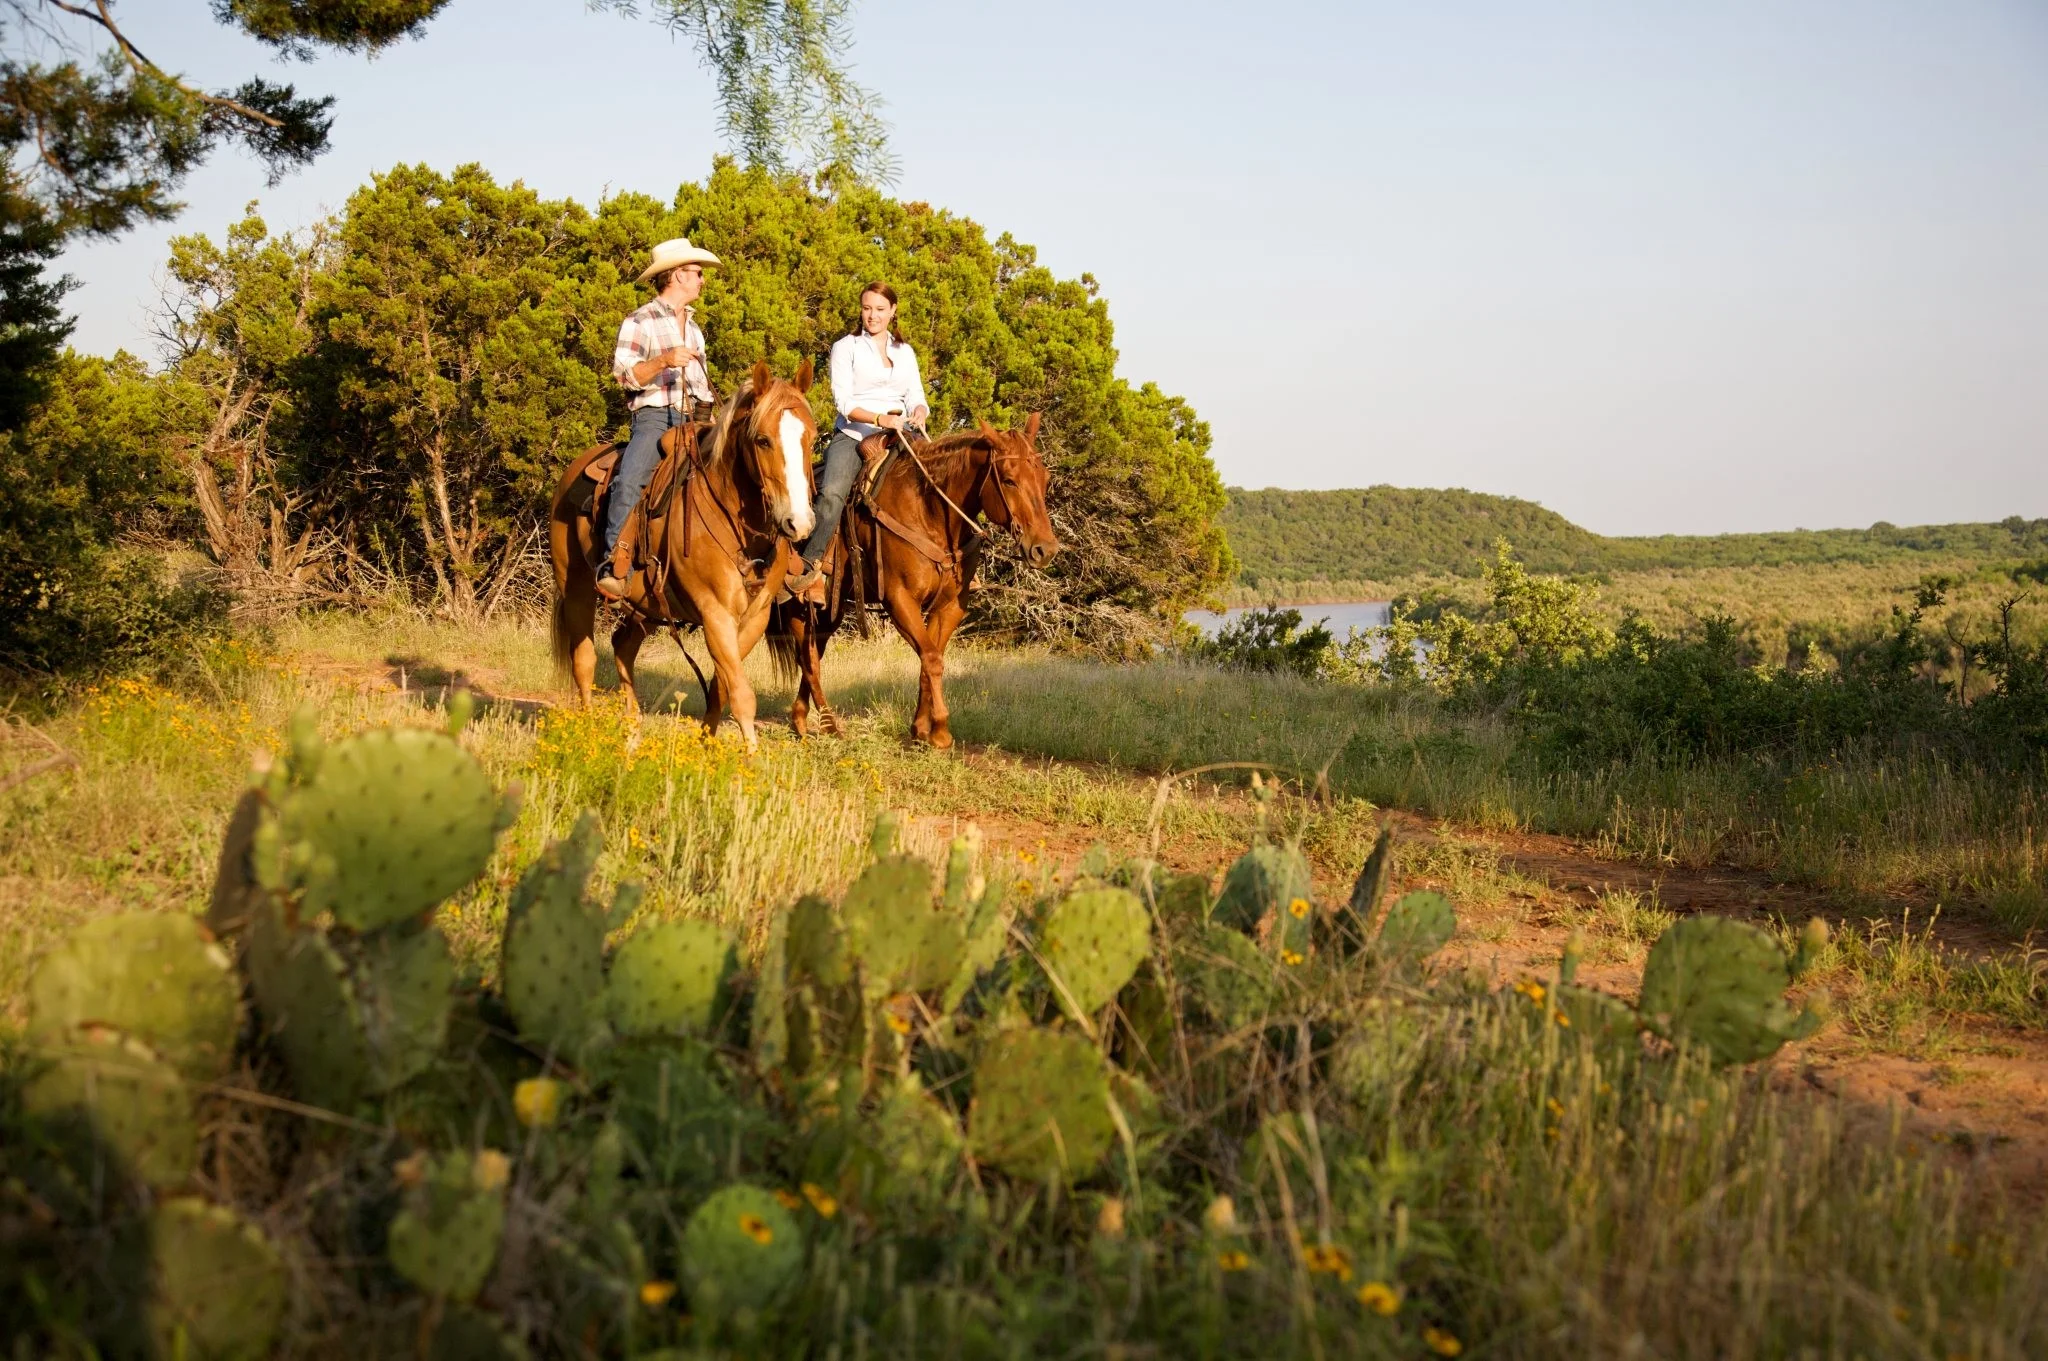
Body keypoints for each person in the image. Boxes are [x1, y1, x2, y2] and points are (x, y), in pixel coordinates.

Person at [785, 281, 928, 601]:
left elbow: (916, 393)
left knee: (938, 479)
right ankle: (811, 565)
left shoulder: (905, 351)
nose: (872, 316)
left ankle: (949, 564)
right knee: (833, 492)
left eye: (879, 309)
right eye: (867, 309)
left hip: (901, 434)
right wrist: (881, 419)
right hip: (855, 434)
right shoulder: (845, 347)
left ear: (893, 311)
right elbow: (844, 403)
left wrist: (919, 410)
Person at [598, 237, 720, 601]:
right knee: (631, 479)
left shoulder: (695, 329)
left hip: (694, 420)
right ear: (677, 275)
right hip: (654, 416)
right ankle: (615, 563)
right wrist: (663, 360)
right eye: (697, 273)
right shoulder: (641, 319)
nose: (702, 280)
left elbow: (701, 382)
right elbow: (624, 376)